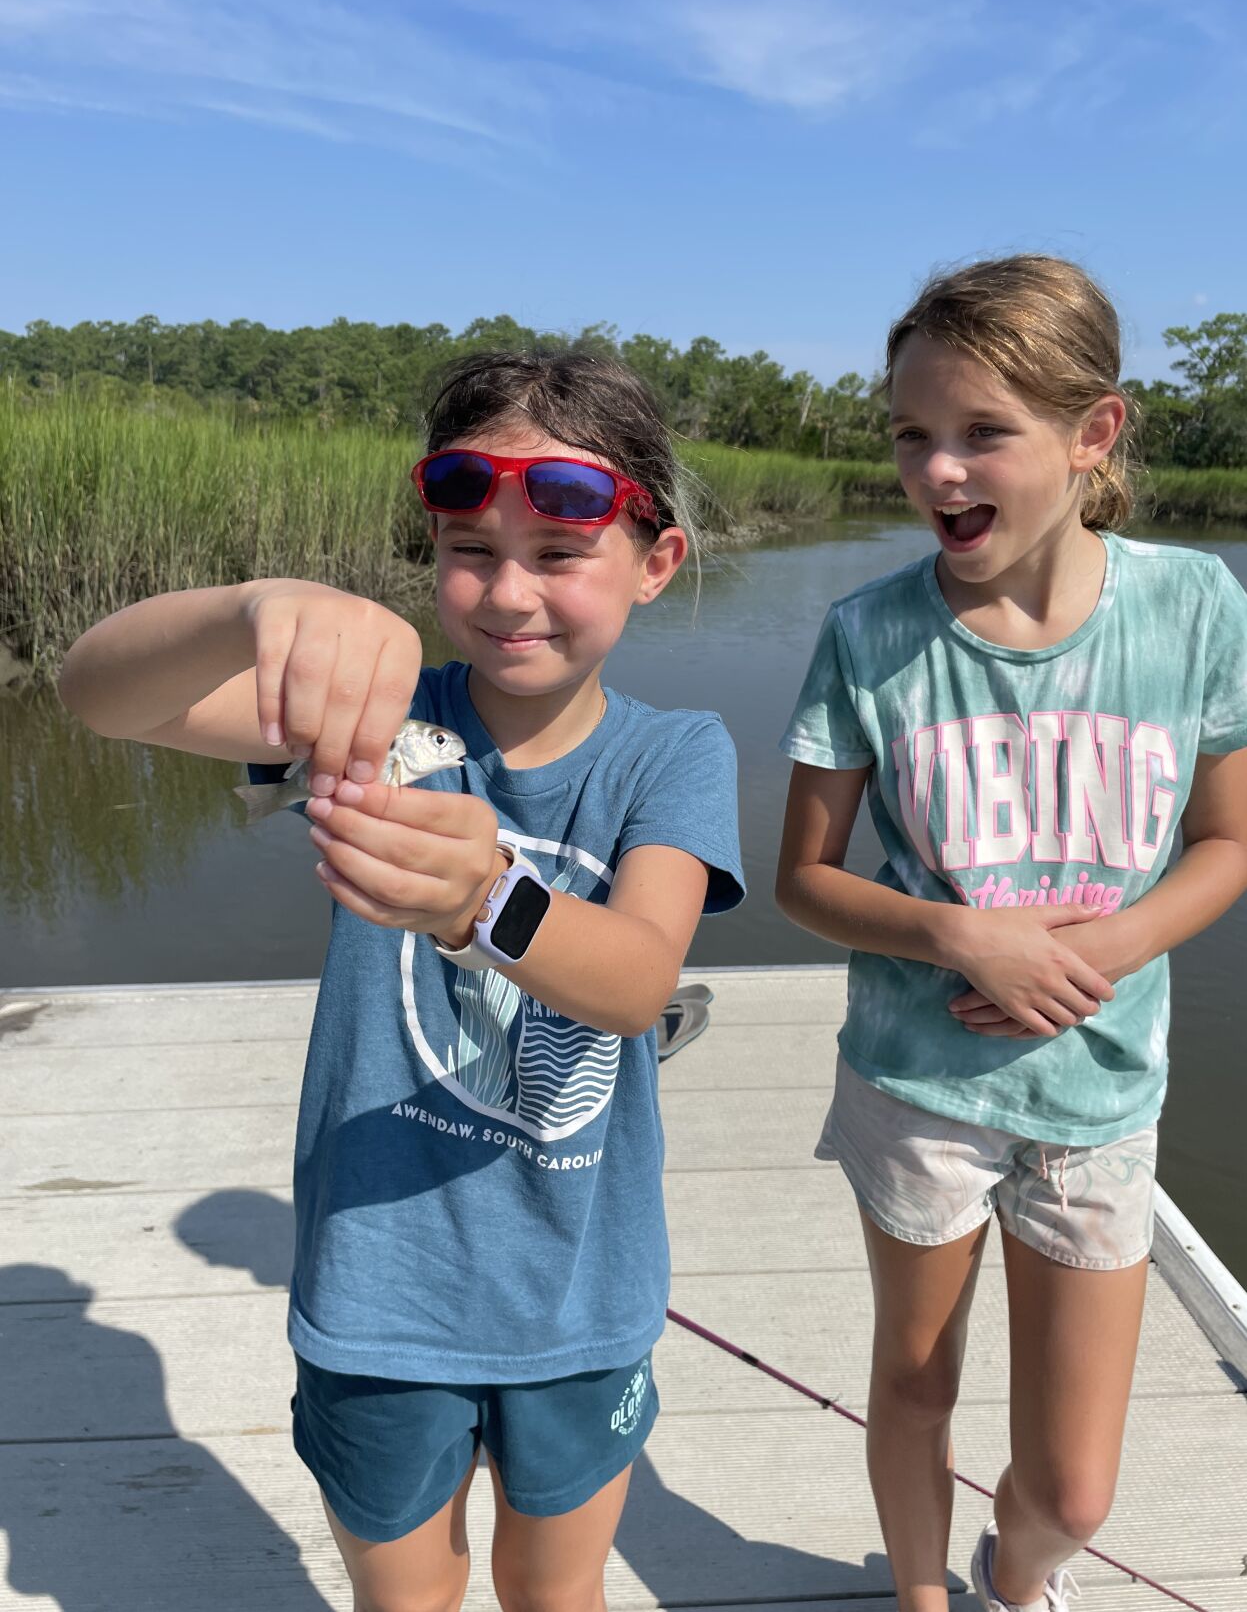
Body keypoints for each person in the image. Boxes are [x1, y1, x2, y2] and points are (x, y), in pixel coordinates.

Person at [59, 351, 744, 1612]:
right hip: (376, 1286)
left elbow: (640, 978)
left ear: (654, 562)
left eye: (556, 551)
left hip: (579, 1293)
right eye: (469, 548)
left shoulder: (674, 753)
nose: (505, 590)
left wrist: (483, 904)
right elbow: (98, 696)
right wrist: (253, 609)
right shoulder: (378, 722)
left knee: (556, 1592)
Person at [774, 255, 1247, 1612]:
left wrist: (1091, 953)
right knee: (912, 1382)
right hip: (914, 1085)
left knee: (1072, 1487)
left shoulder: (1196, 609)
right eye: (911, 435)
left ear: (1092, 431)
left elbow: (1223, 840)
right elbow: (802, 876)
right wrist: (954, 933)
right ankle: (924, 1599)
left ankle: (1009, 1569)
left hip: (1096, 1094)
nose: (935, 471)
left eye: (981, 432)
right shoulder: (866, 632)